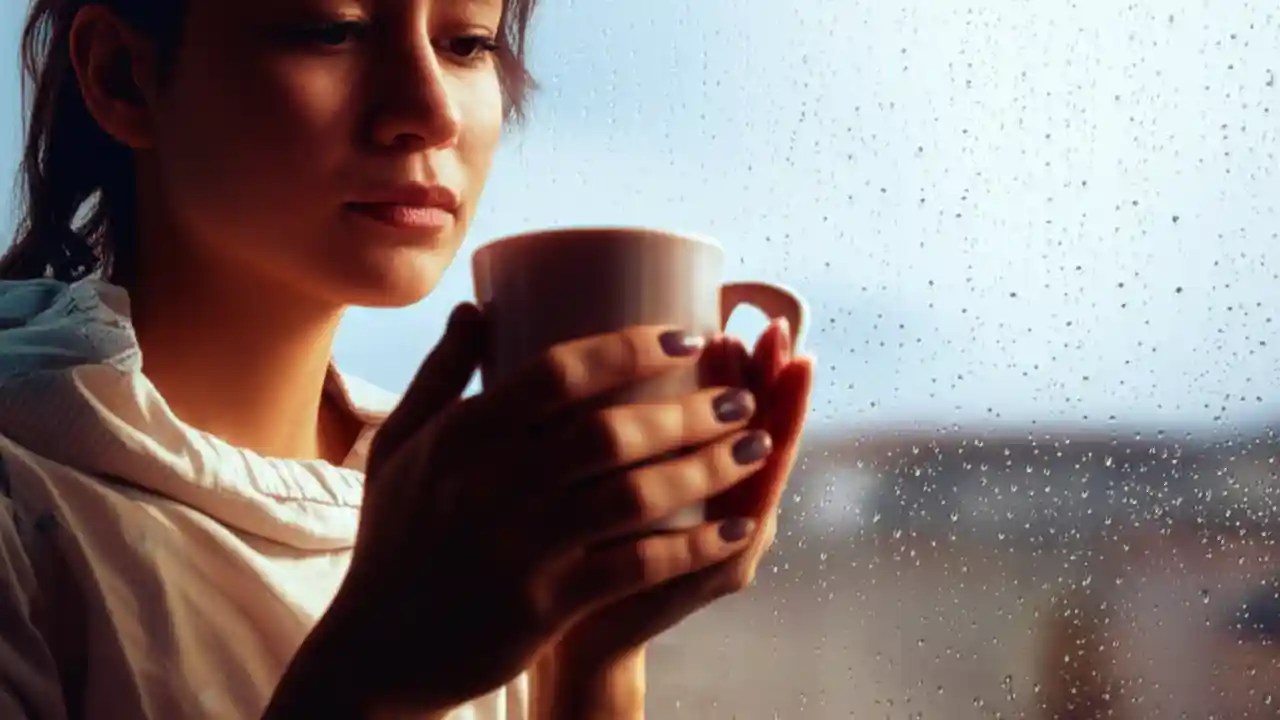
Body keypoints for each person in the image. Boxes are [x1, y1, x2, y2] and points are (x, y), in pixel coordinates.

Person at [0, 0, 815, 718]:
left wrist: (596, 651)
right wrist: (370, 676)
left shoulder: (472, 510)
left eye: (466, 44)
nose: (429, 110)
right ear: (122, 76)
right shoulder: (25, 507)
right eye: (334, 29)